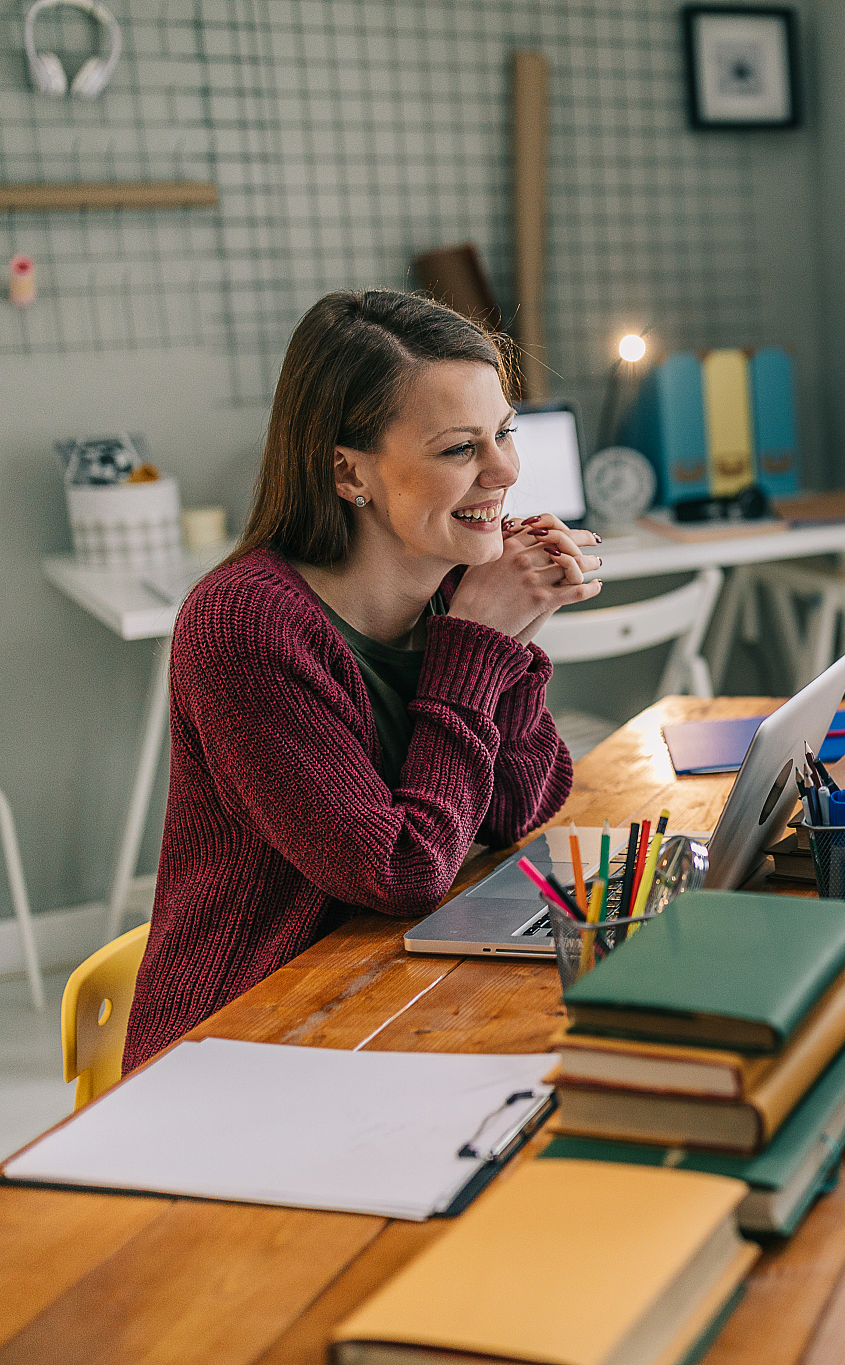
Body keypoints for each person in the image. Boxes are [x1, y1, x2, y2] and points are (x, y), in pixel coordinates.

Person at [124, 290, 601, 1072]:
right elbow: (404, 870)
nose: (507, 470)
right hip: (240, 1040)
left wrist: (509, 637)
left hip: (381, 995)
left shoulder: (451, 582)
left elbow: (518, 804)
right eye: (459, 449)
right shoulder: (247, 626)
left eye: (505, 433)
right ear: (349, 472)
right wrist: (480, 644)